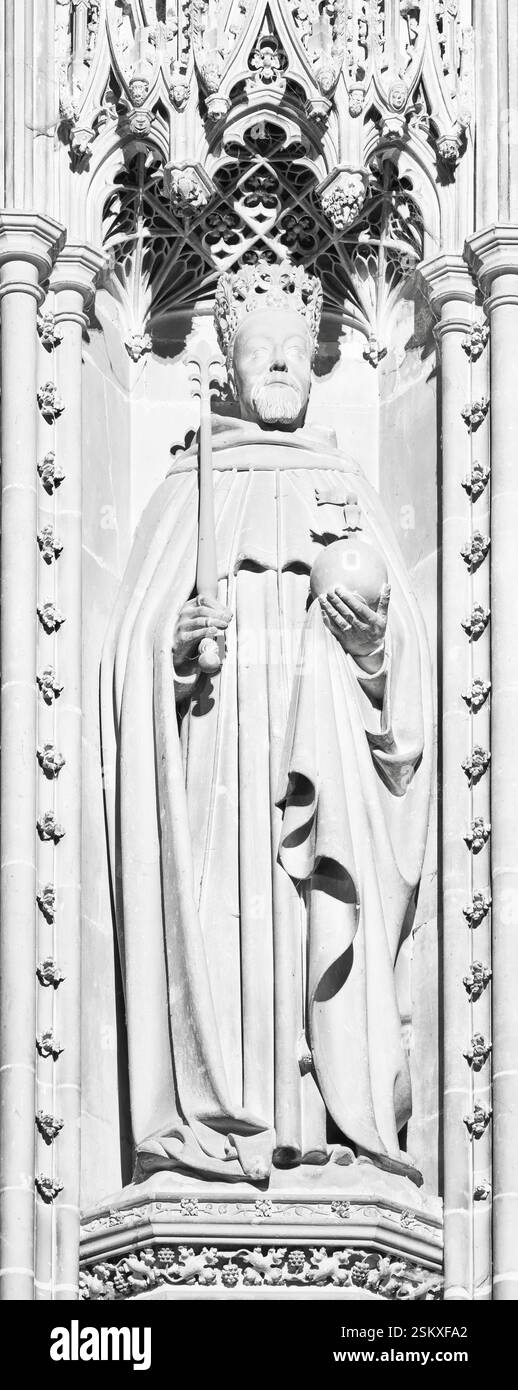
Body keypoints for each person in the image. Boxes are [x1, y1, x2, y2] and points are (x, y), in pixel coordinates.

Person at [101, 259, 432, 1185]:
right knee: (222, 931)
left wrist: (370, 649)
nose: (282, 365)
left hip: (316, 751)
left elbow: (407, 666)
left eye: (297, 351)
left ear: (319, 364)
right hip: (217, 762)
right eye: (263, 353)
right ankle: (223, 1125)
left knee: (305, 925)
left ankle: (323, 1120)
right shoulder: (188, 485)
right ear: (232, 368)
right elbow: (128, 658)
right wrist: (176, 643)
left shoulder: (344, 482)